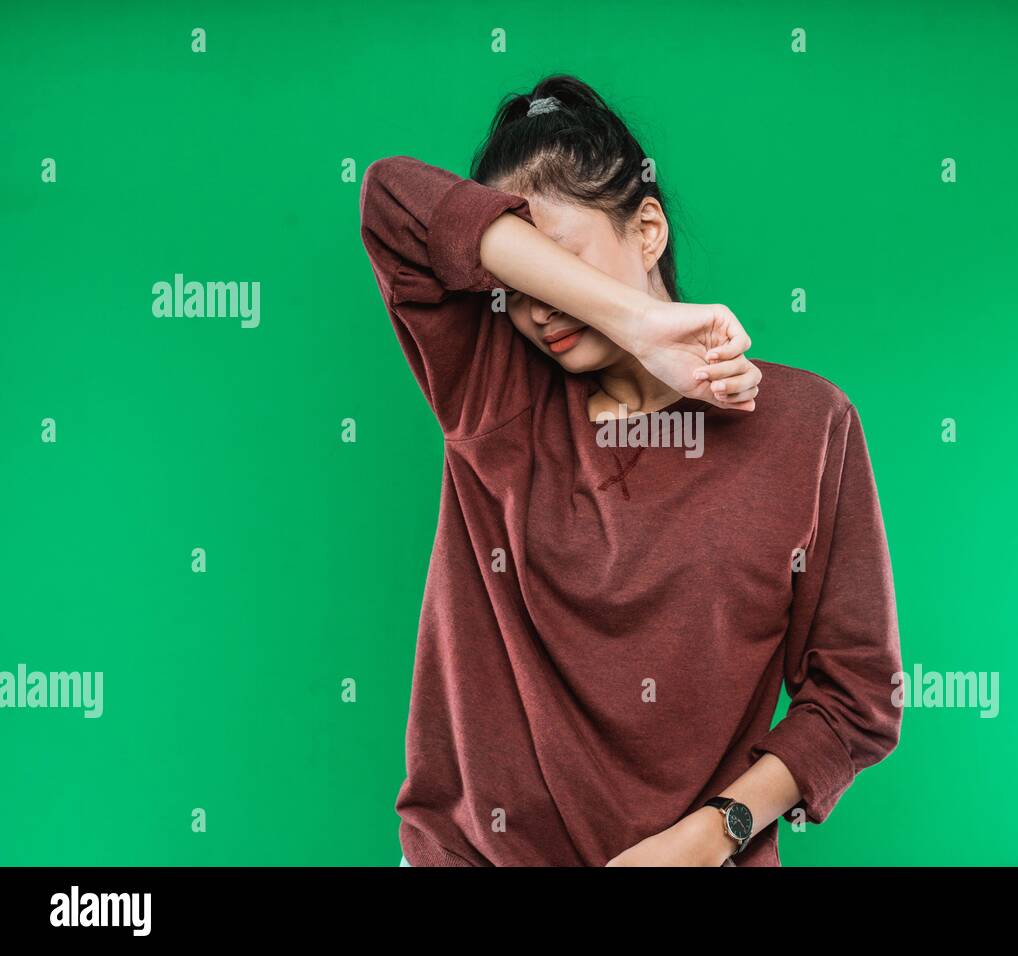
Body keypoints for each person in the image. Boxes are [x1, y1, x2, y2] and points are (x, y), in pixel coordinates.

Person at [360, 74, 902, 867]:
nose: (538, 308)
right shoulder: (492, 393)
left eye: (557, 258)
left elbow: (857, 699)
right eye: (521, 280)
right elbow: (392, 198)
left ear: (648, 228)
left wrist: (709, 837)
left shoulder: (807, 425)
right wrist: (639, 321)